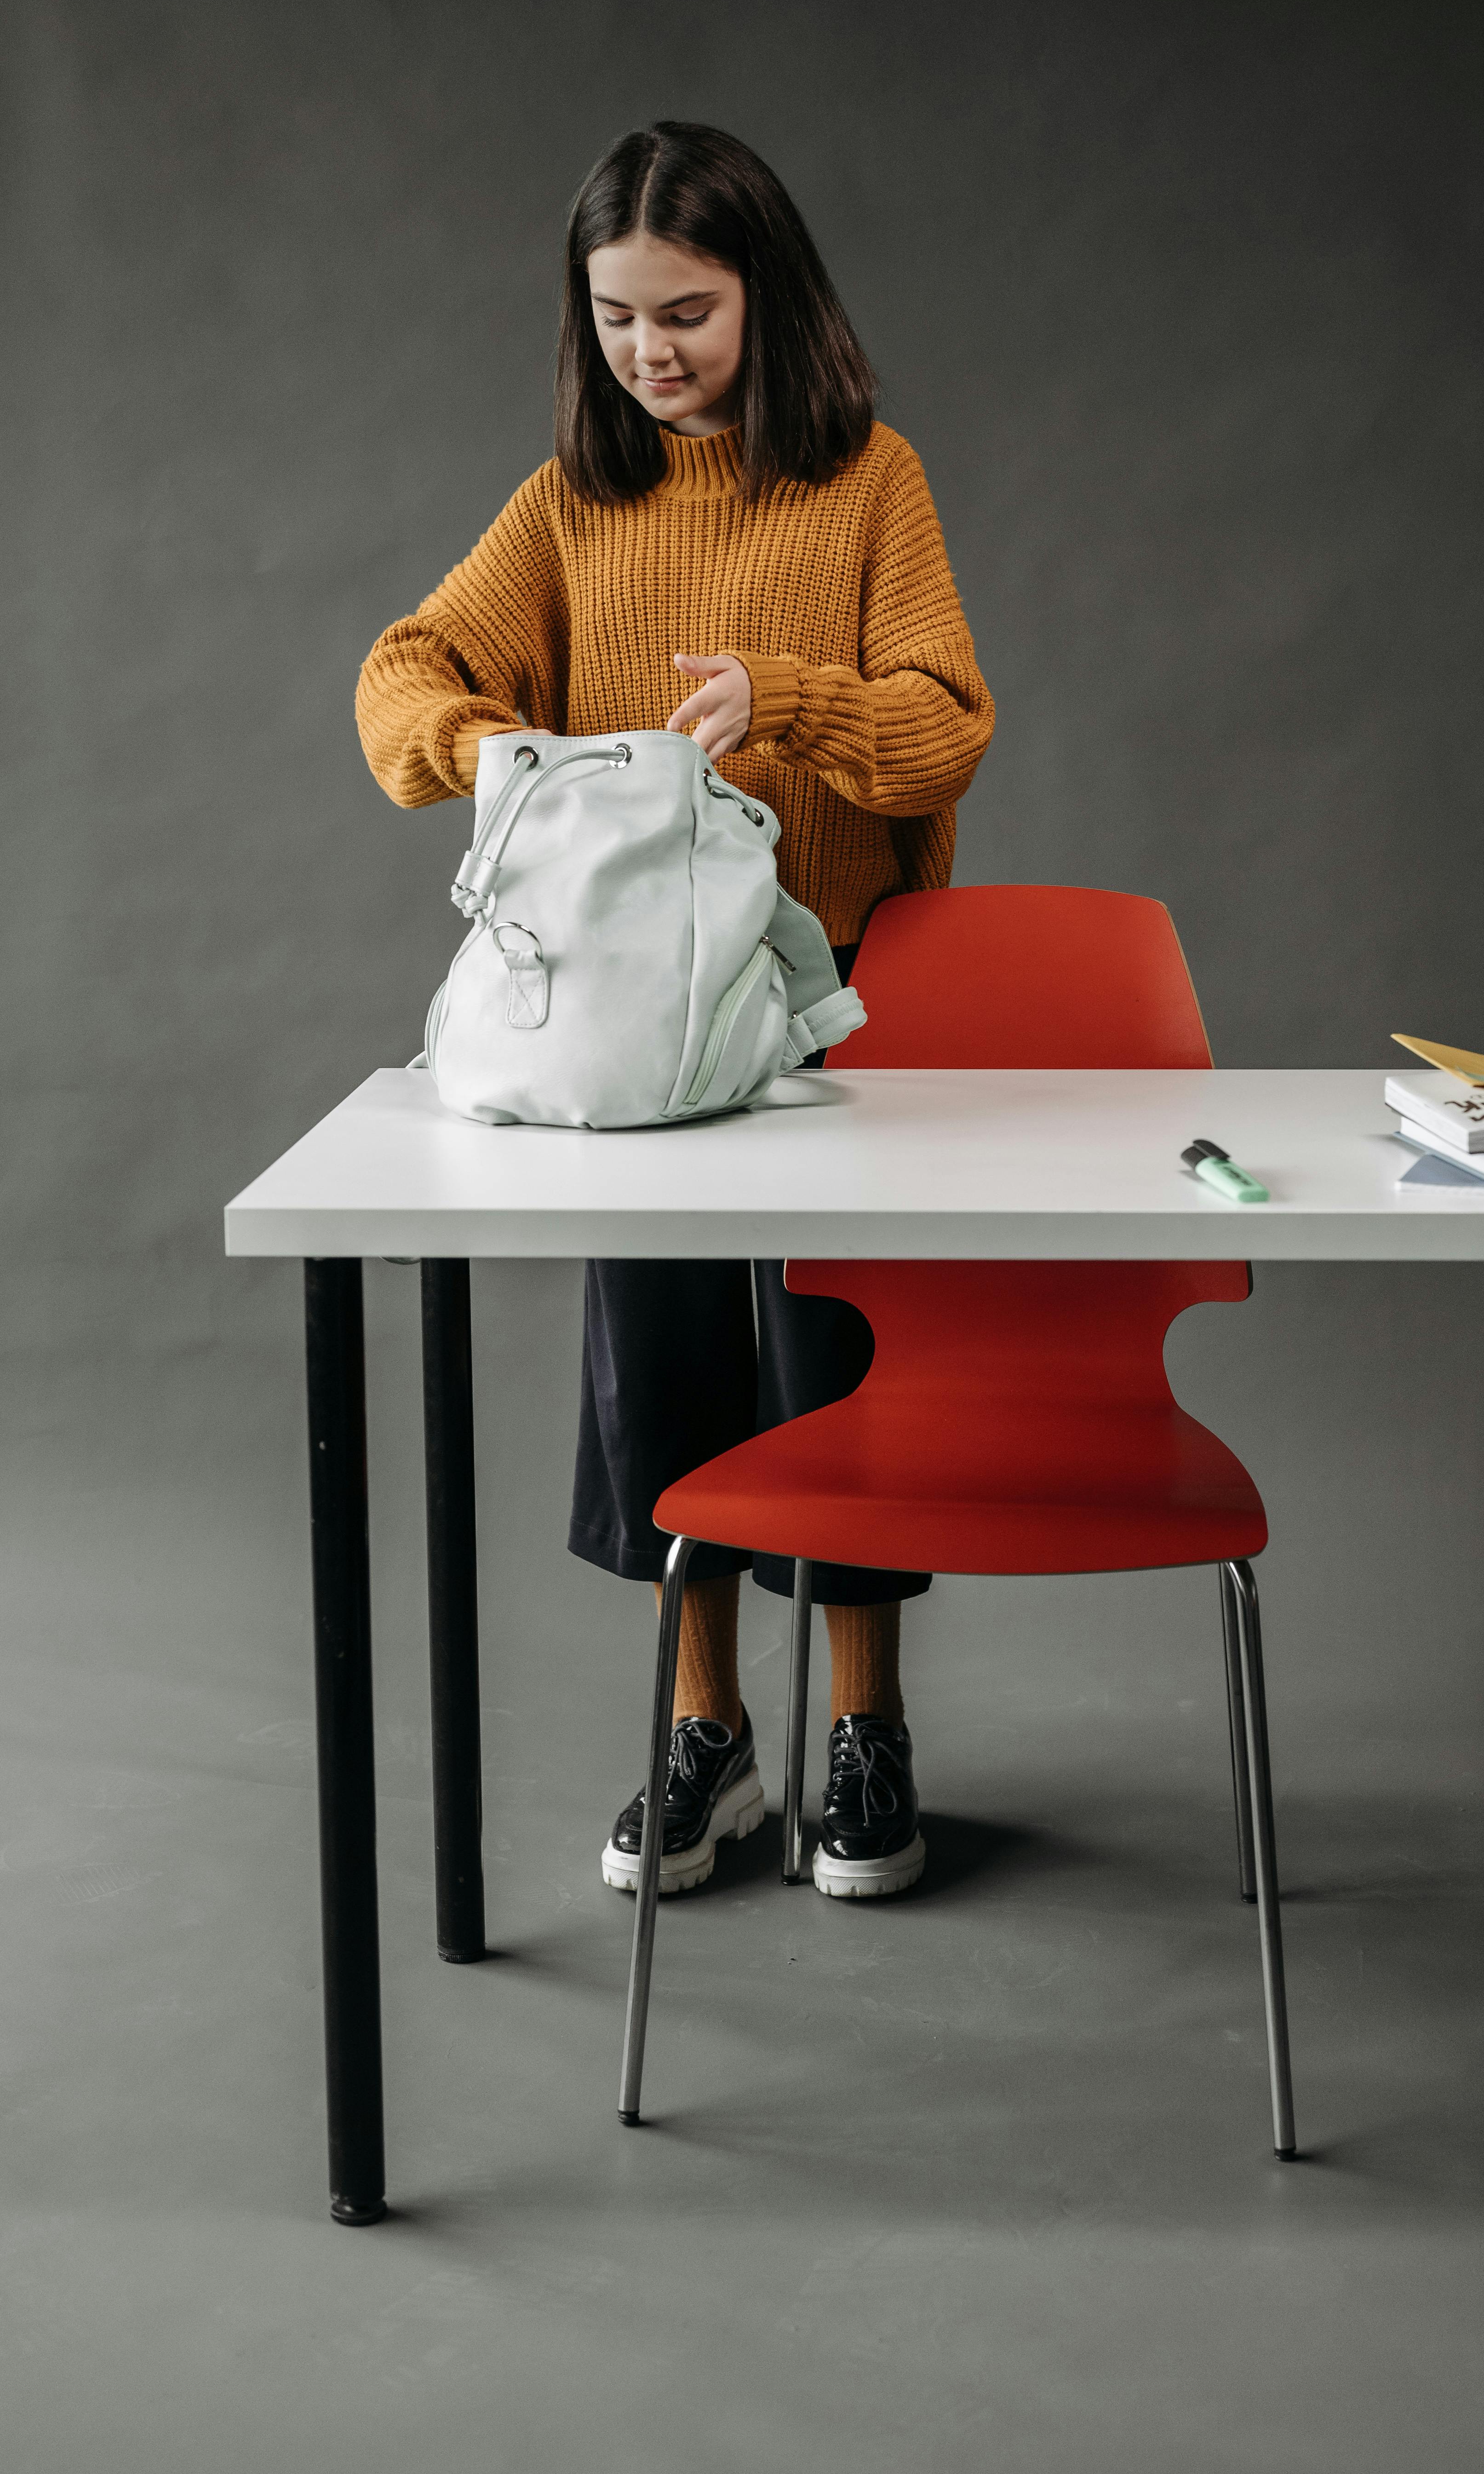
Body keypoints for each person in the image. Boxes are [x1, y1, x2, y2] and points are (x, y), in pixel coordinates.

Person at [355, 121, 994, 1903]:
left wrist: (788, 703)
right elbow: (400, 678)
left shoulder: (868, 484)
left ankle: (863, 1727)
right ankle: (707, 1732)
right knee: (662, 1365)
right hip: (636, 1029)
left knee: (833, 1360)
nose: (651, 351)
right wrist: (500, 752)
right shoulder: (572, 507)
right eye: (618, 316)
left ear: (769, 296)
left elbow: (947, 726)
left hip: (830, 1013)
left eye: (688, 313)